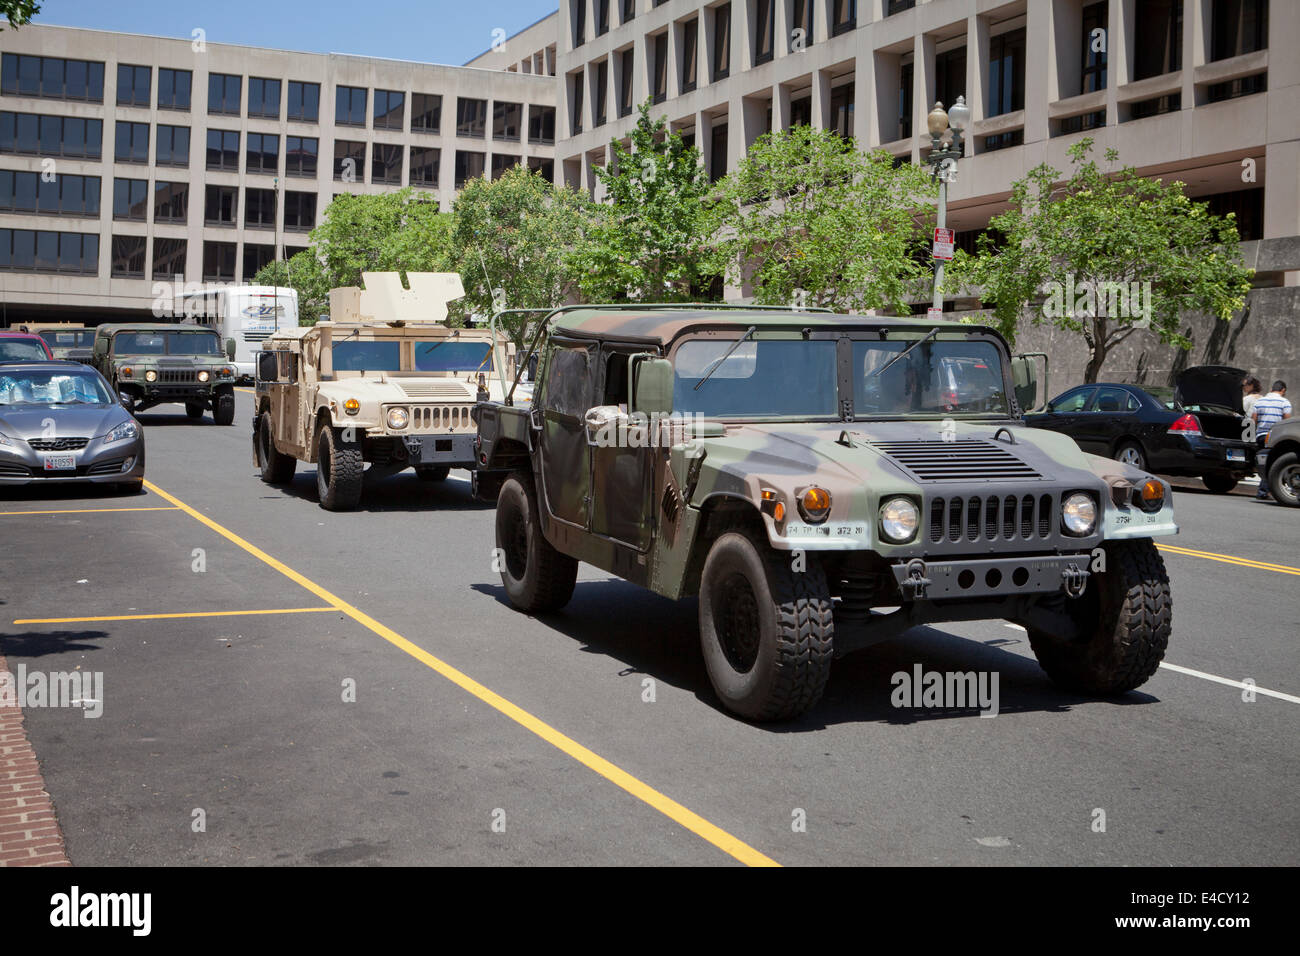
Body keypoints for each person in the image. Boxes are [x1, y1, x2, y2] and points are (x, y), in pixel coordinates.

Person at [1252, 381, 1292, 501]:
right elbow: (1287, 423)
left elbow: (1254, 420)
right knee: (1273, 464)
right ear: (1283, 390)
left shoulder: (1259, 401)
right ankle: (1263, 491)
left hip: (1260, 436)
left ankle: (1263, 490)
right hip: (1275, 438)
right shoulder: (1284, 402)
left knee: (1264, 463)